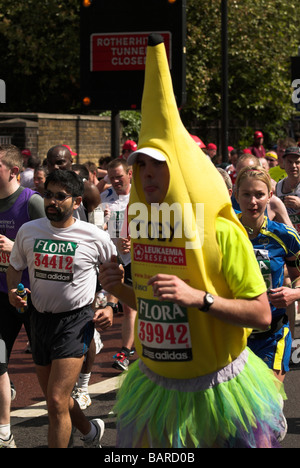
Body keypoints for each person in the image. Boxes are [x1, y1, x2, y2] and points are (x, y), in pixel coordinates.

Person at [99, 33, 285, 448]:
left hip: (217, 391)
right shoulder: (145, 225)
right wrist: (119, 290)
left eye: (158, 167)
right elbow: (156, 304)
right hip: (156, 385)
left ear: (182, 172)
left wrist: (198, 297)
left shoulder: (221, 231)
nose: (147, 175)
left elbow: (261, 315)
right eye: (140, 166)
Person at [6, 169, 118, 448]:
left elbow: (114, 273)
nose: (52, 201)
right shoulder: (29, 231)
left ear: (77, 202)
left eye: (60, 196)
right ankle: (90, 431)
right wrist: (12, 293)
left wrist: (110, 305)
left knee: (55, 400)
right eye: (48, 195)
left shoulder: (93, 236)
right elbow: (14, 266)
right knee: (58, 397)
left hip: (75, 322)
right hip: (39, 320)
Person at [235, 166, 300, 383]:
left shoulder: (284, 235)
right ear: (236, 195)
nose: (253, 201)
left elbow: (298, 275)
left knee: (267, 409)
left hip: (272, 335)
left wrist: (295, 293)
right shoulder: (224, 230)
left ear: (270, 196)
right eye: (246, 194)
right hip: (233, 336)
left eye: (259, 195)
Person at [0, 144, 45, 448]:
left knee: (48, 375)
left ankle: (84, 428)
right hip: (2, 295)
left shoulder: (34, 203)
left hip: (35, 298)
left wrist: (15, 247)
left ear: (13, 171)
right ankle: (4, 431)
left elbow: (60, 249)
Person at [101, 159, 136, 371]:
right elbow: (94, 229)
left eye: (119, 176)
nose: (115, 181)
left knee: (131, 307)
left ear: (130, 174)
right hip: (113, 258)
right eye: (112, 177)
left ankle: (125, 351)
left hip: (135, 259)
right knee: (125, 305)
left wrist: (133, 241)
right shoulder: (104, 198)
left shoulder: (140, 197)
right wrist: (103, 224)